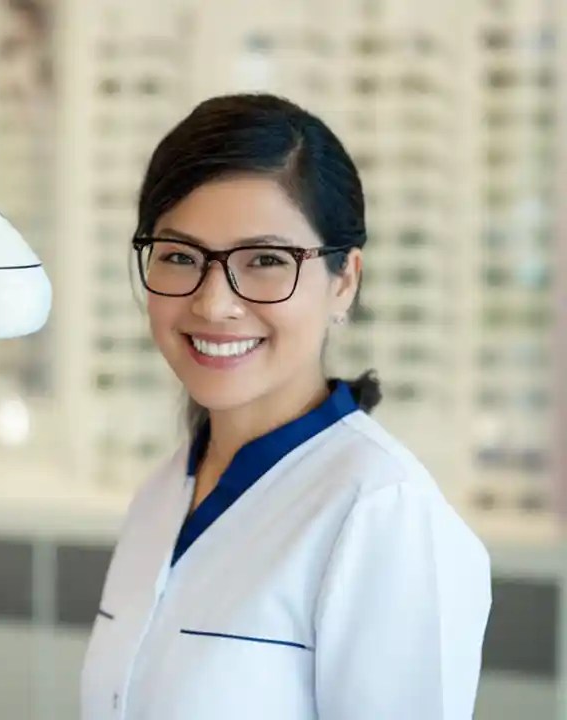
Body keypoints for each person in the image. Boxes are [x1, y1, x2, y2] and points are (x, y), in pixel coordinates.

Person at [80, 93, 492, 719]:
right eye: (180, 257)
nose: (214, 303)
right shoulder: (161, 494)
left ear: (344, 280)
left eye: (267, 261)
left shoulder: (384, 513)